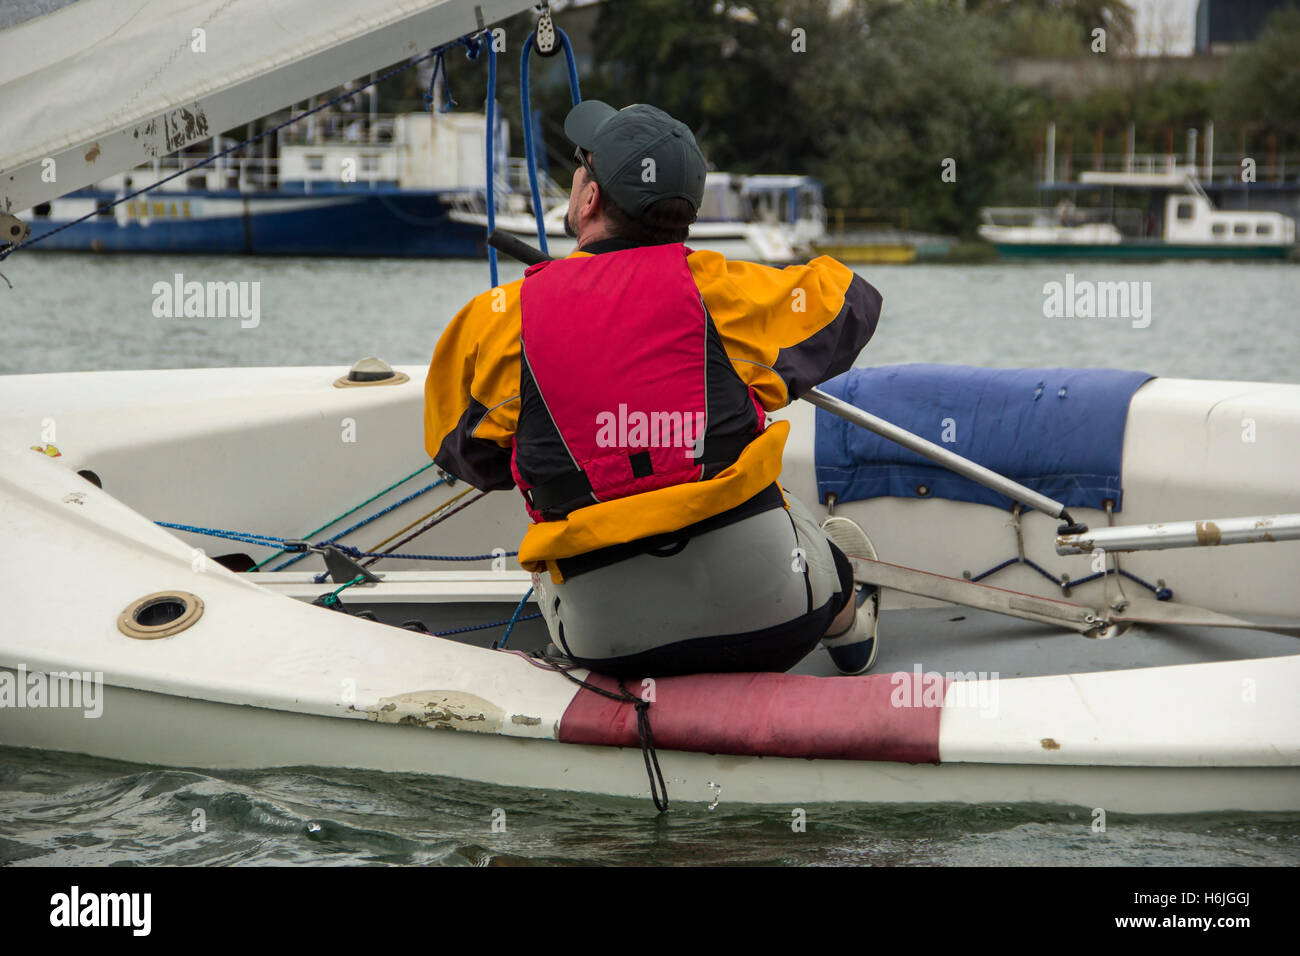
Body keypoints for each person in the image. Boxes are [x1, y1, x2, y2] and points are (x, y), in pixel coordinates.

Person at [424, 101, 883, 678]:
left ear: (589, 198)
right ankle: (851, 629)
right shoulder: (724, 291)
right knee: (813, 537)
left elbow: (466, 456)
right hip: (776, 625)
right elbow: (853, 300)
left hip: (609, 645)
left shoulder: (498, 320)